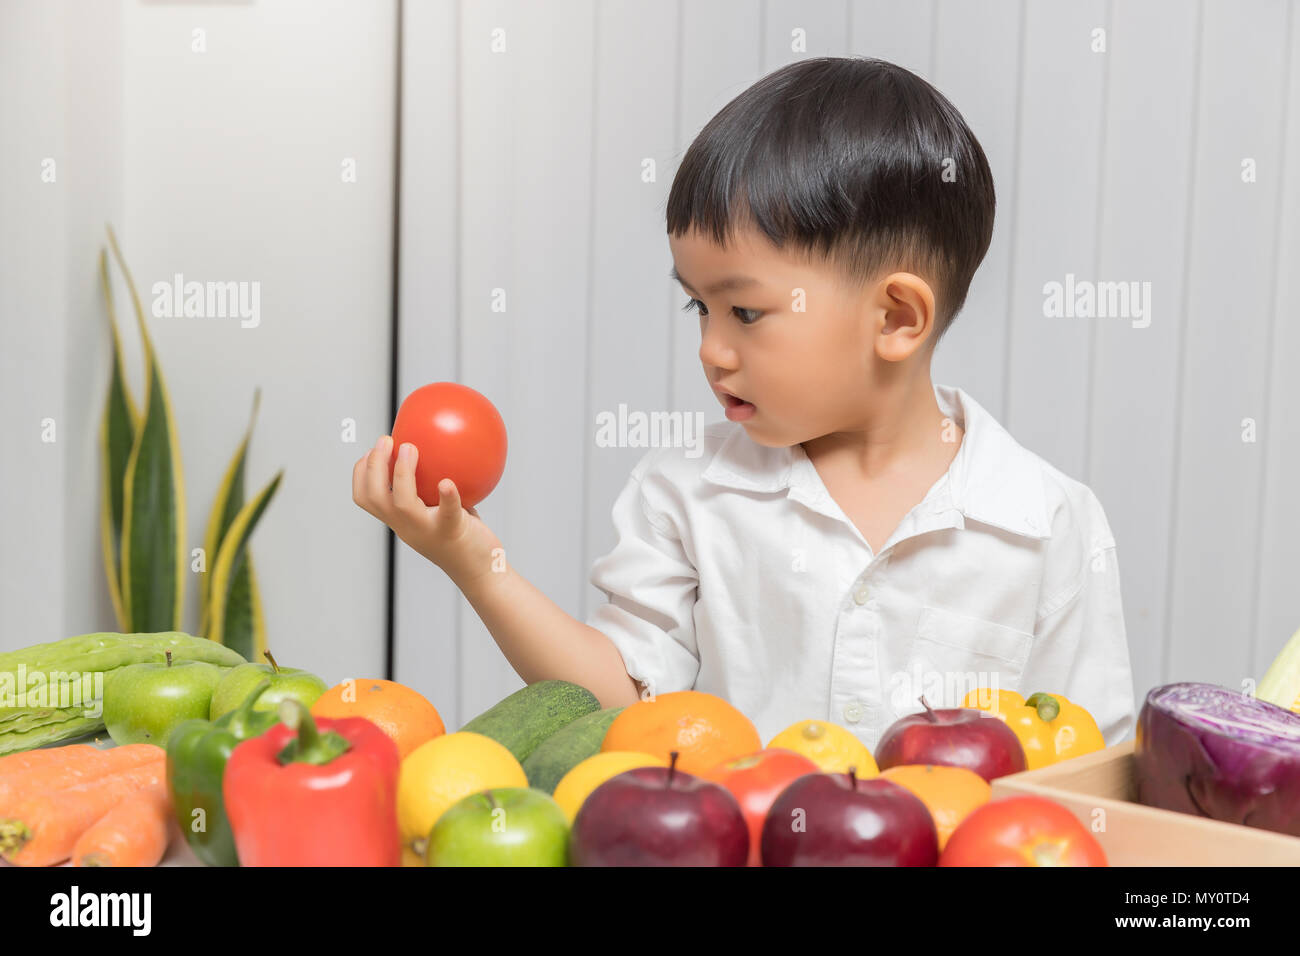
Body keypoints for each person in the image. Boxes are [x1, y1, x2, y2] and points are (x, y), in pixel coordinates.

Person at [353, 56, 1136, 751]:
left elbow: (1087, 769)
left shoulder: (1046, 524)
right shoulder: (687, 492)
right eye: (700, 308)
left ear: (896, 318)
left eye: (747, 313)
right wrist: (474, 561)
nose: (712, 350)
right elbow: (620, 704)